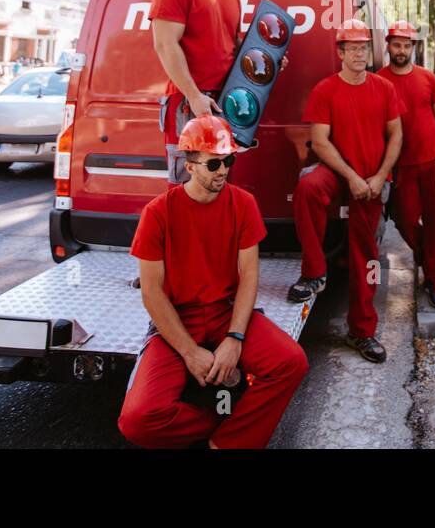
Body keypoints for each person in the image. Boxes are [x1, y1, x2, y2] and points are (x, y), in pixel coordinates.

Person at [117, 114, 309, 449]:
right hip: (177, 321)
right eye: (214, 163)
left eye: (228, 161)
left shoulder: (244, 203)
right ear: (189, 165)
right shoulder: (158, 213)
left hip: (226, 313)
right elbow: (151, 293)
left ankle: (229, 441)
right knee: (137, 420)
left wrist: (235, 338)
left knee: (291, 363)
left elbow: (250, 274)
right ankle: (217, 422)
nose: (223, 170)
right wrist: (190, 352)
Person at [288, 19, 403, 363]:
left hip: (372, 179)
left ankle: (362, 332)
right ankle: (314, 273)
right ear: (339, 52)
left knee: (365, 257)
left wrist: (382, 175)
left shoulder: (383, 88)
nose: (358, 54)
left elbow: (396, 135)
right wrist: (351, 176)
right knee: (308, 187)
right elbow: (320, 142)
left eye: (363, 47)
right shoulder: (326, 90)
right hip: (340, 173)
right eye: (352, 48)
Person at [150, 0, 242, 185]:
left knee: (217, 182)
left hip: (222, 104)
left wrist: (267, 62)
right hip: (187, 103)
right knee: (186, 184)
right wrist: (194, 96)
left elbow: (231, 50)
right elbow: (165, 46)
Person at [377, 21, 435, 308]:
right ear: (389, 46)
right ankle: (426, 257)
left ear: (413, 48)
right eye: (397, 45)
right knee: (404, 220)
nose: (402, 50)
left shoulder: (428, 78)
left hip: (432, 161)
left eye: (407, 45)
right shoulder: (380, 81)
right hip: (401, 165)